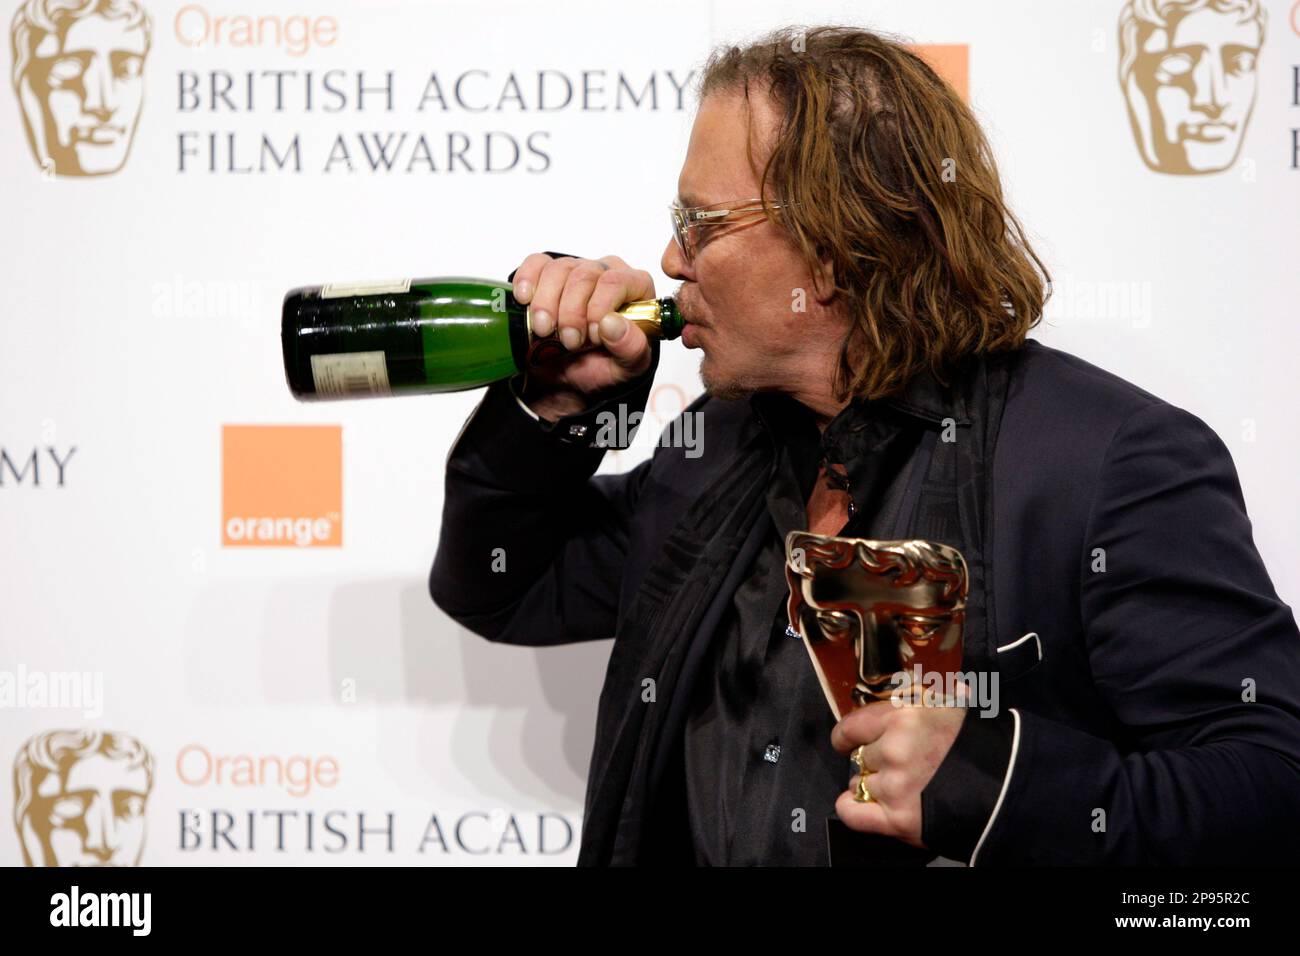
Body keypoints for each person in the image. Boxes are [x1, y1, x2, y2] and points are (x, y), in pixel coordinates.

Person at [429, 25, 1300, 866]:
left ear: (838, 242)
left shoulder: (1107, 460)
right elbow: (507, 588)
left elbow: (1270, 784)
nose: (670, 257)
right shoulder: (718, 446)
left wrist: (993, 782)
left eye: (701, 221)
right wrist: (555, 405)